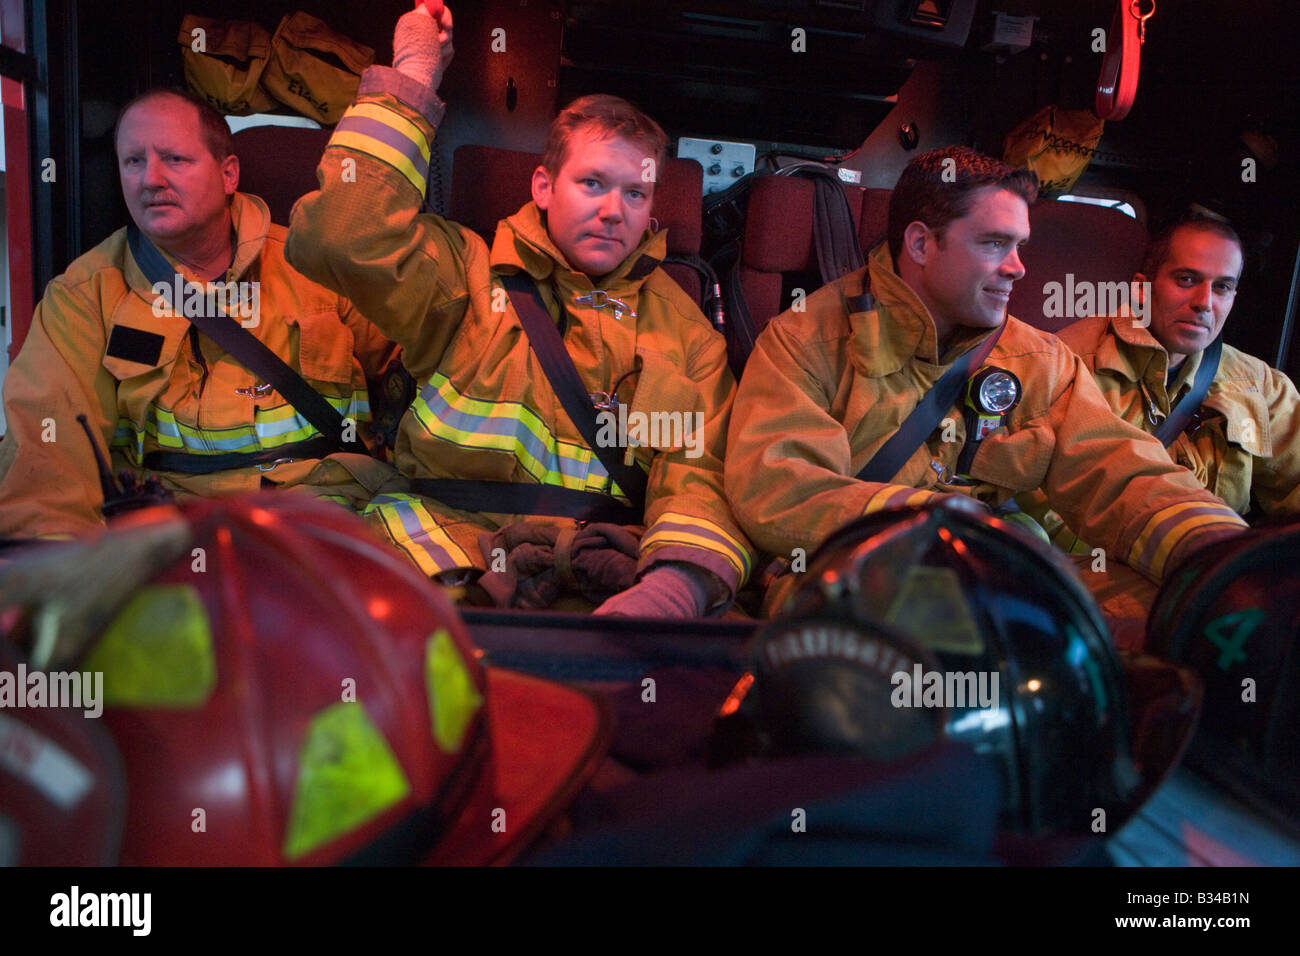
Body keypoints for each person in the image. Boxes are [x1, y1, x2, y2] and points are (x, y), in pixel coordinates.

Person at [285, 4, 753, 616]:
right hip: (437, 553)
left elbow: (700, 477)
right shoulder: (467, 276)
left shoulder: (687, 334)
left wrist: (673, 591)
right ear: (543, 186)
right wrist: (414, 77)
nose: (615, 210)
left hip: (591, 576)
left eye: (635, 192)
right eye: (592, 183)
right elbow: (341, 238)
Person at [724, 146, 1247, 627]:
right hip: (852, 575)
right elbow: (779, 486)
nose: (1018, 268)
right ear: (922, 243)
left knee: (1180, 609)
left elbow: (1118, 468)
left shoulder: (1038, 359)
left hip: (996, 572)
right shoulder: (806, 339)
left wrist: (1217, 553)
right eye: (995, 244)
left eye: (1019, 246)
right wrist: (933, 521)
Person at [0, 88, 398, 538]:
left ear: (229, 174)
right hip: (169, 534)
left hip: (328, 519)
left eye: (174, 159)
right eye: (133, 161)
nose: (150, 178)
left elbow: (408, 376)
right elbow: (46, 458)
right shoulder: (84, 295)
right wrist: (57, 581)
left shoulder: (316, 266)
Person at [1024, 216, 1300, 552]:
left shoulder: (1260, 385)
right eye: (1186, 280)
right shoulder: (1066, 367)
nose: (1205, 302)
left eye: (1222, 287)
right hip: (1098, 575)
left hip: (1211, 574)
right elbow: (1039, 511)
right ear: (1142, 286)